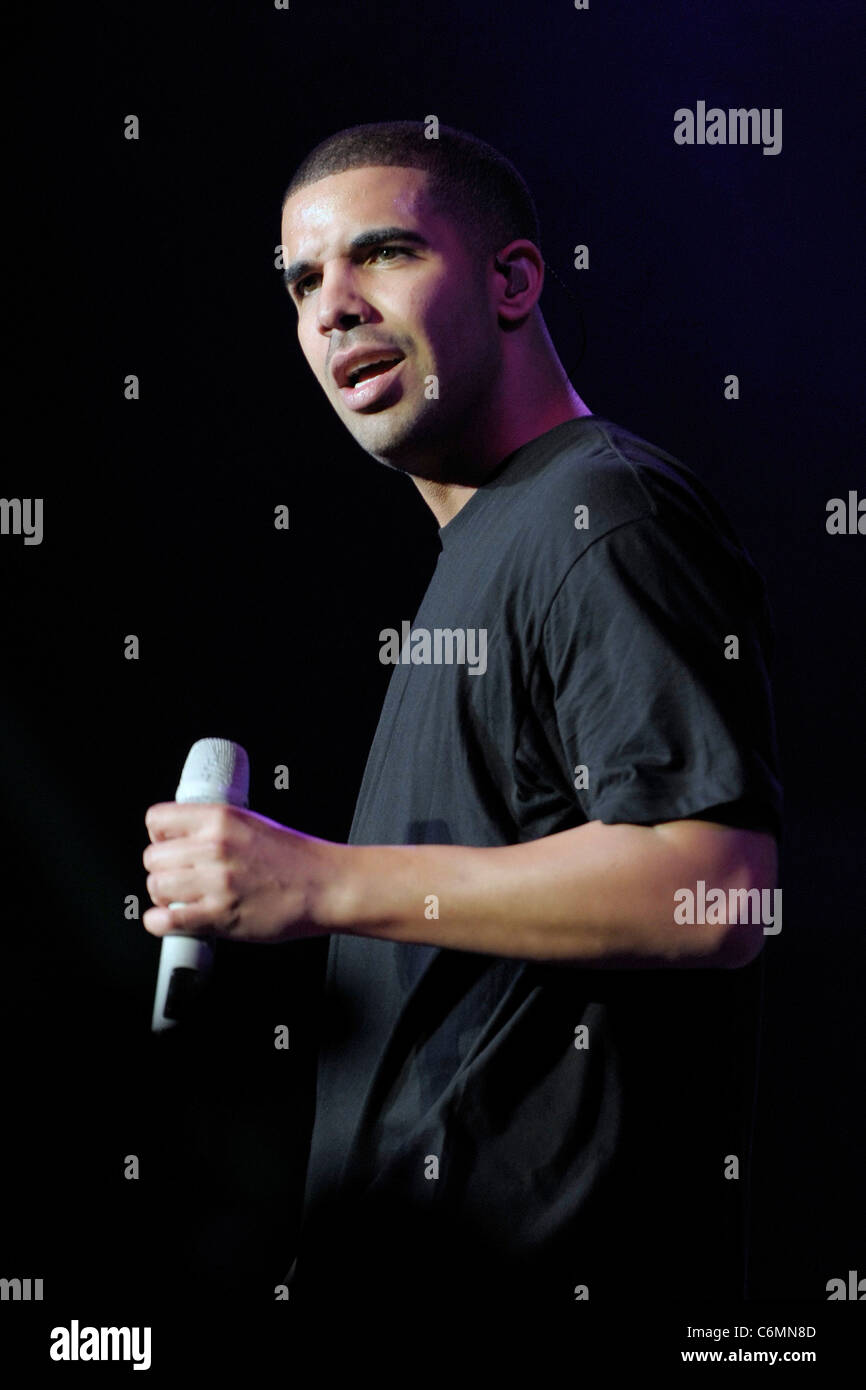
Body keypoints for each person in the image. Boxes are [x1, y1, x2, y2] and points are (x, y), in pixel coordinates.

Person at [142, 121, 782, 1316]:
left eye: (379, 254)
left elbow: (718, 888)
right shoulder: (489, 546)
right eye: (300, 280)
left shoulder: (600, 512)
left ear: (511, 281)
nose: (331, 307)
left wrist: (319, 882)